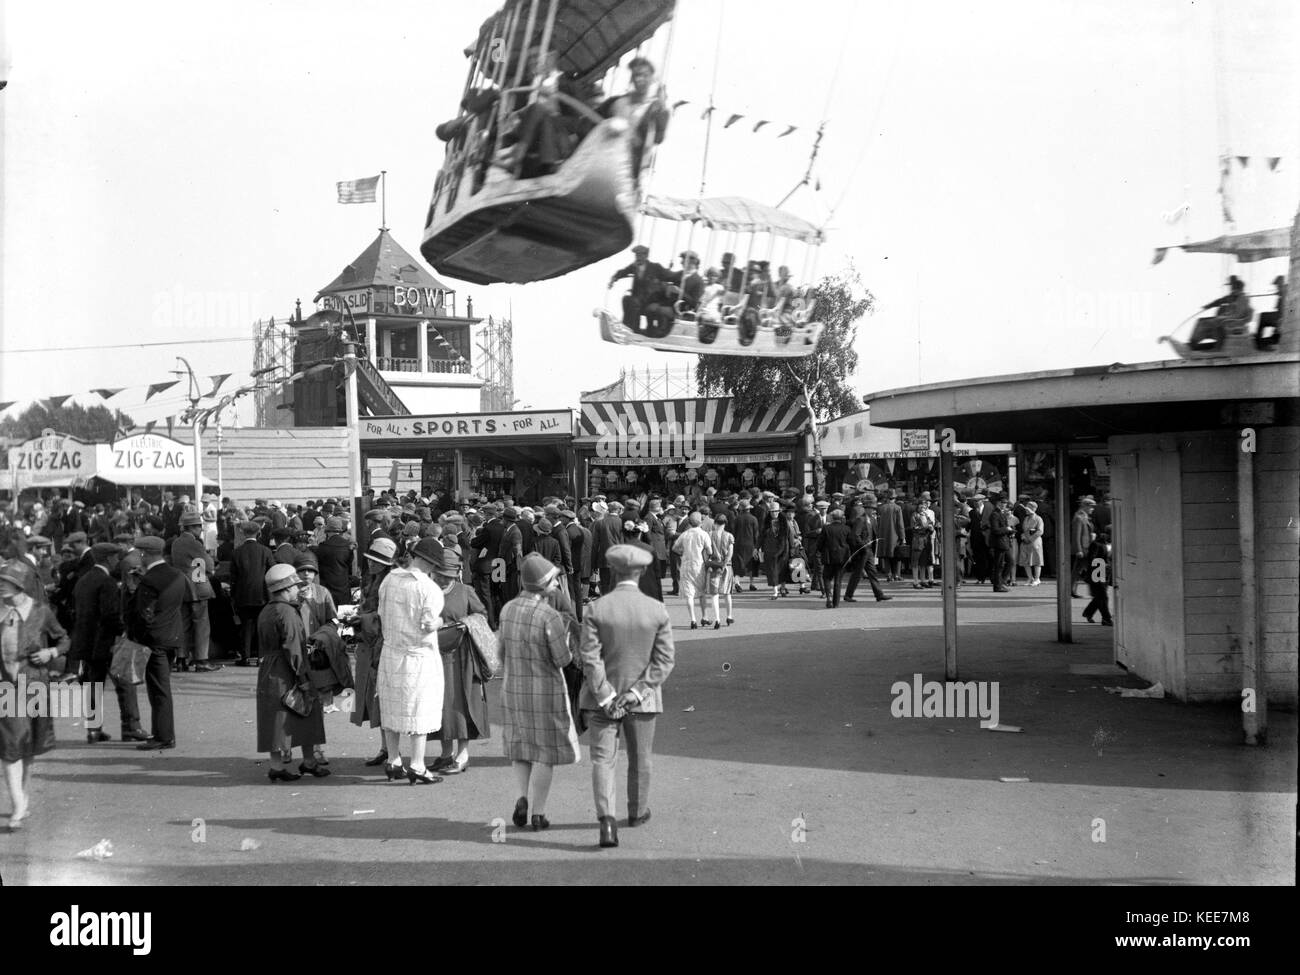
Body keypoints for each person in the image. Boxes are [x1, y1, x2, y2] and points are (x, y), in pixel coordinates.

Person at [578, 544, 676, 849]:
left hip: (600, 699)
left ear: (613, 570)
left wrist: (606, 695)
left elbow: (589, 658)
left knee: (602, 760)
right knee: (641, 757)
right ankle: (636, 811)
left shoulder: (596, 609)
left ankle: (607, 820)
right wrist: (636, 691)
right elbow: (664, 660)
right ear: (642, 571)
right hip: (643, 698)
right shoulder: (657, 609)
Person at [499, 554, 580, 832]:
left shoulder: (507, 609)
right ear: (543, 584)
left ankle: (521, 797)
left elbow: (500, 652)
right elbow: (563, 659)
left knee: (520, 747)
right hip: (544, 690)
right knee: (545, 754)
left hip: (513, 687)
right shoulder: (550, 615)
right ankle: (538, 812)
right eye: (554, 579)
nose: (557, 583)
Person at [0, 561, 69, 831]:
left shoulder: (41, 611)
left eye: (5, 582)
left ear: (20, 585)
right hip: (5, 686)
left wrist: (50, 653)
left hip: (35, 683)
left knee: (30, 745)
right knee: (11, 744)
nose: (0, 586)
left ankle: (23, 799)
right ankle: (17, 805)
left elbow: (64, 639)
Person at [375, 536, 446, 785]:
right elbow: (428, 625)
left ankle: (393, 760)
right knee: (420, 708)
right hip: (418, 655)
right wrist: (440, 622)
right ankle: (417, 764)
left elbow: (381, 614)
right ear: (431, 563)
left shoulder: (389, 579)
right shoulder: (429, 588)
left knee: (392, 707)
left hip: (390, 651)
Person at [256, 564, 327, 781]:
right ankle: (308, 761)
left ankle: (277, 765)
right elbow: (294, 647)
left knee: (275, 718)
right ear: (287, 588)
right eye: (295, 586)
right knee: (307, 710)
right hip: (286, 669)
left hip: (269, 668)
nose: (298, 589)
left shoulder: (267, 609)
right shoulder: (287, 612)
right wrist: (303, 678)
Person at [71, 543, 146, 743]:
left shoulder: (83, 581)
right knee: (126, 683)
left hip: (87, 644)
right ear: (108, 558)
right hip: (108, 642)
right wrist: (122, 632)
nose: (117, 561)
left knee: (93, 686)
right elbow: (110, 615)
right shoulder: (107, 582)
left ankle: (94, 730)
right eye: (114, 557)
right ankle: (131, 726)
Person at [428, 547, 489, 775]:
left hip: (462, 656)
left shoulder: (465, 591)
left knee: (461, 703)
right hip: (433, 656)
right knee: (439, 706)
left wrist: (467, 622)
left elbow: (482, 615)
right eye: (440, 573)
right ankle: (445, 754)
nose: (443, 578)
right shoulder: (426, 591)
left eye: (448, 574)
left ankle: (462, 754)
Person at [126, 536, 185, 750]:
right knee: (161, 687)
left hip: (153, 641)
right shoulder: (177, 575)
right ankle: (163, 733)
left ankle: (164, 736)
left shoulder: (148, 581)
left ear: (144, 554)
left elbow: (143, 614)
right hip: (172, 637)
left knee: (158, 690)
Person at [351, 537, 398, 768]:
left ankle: (390, 751)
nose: (371, 564)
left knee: (381, 698)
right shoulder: (375, 580)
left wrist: (362, 618)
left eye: (376, 561)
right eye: (370, 560)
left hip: (379, 646)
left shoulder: (387, 584)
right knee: (375, 699)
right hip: (370, 645)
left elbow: (384, 618)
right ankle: (386, 748)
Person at [598, 56, 669, 183]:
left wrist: (662, 108)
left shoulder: (656, 109)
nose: (640, 79)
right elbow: (595, 120)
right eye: (636, 75)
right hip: (606, 156)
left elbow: (659, 138)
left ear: (652, 78)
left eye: (645, 75)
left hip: (632, 163)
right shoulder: (618, 101)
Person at [171, 510, 221, 673]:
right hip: (197, 588)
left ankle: (181, 659)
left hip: (181, 588)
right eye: (199, 526)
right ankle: (201, 660)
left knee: (183, 625)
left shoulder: (176, 543)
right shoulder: (195, 543)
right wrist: (210, 564)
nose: (201, 529)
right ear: (191, 527)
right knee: (201, 625)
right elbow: (208, 564)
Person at [229, 521, 276, 666]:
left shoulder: (236, 552)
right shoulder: (265, 551)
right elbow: (273, 571)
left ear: (243, 533)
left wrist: (233, 595)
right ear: (259, 533)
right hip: (262, 594)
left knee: (246, 627)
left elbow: (233, 577)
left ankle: (245, 656)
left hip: (243, 595)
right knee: (261, 626)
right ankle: (261, 657)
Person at [609, 245, 675, 335]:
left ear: (646, 256)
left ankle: (634, 329)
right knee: (627, 299)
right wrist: (614, 278)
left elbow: (669, 275)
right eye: (636, 255)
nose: (638, 258)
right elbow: (622, 272)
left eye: (640, 255)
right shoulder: (634, 266)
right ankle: (627, 325)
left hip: (651, 299)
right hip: (638, 298)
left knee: (633, 302)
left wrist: (676, 281)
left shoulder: (655, 267)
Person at [672, 511, 713, 627]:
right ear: (700, 521)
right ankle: (704, 616)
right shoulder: (703, 534)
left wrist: (682, 553)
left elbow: (675, 548)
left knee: (689, 594)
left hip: (686, 564)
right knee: (702, 592)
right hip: (699, 565)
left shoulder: (685, 534)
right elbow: (709, 551)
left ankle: (693, 619)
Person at [1191, 274, 1253, 347]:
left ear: (1238, 288)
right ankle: (1194, 343)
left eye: (1233, 287)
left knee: (1206, 323)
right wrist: (1208, 306)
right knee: (1201, 321)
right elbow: (1220, 301)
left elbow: (1238, 315)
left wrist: (1224, 317)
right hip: (1229, 319)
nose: (1231, 288)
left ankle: (1198, 344)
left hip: (1234, 321)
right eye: (1231, 286)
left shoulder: (1242, 299)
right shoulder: (1232, 296)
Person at [706, 513, 735, 628]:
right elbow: (730, 553)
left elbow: (706, 552)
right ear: (725, 523)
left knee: (714, 594)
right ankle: (729, 616)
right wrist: (724, 563)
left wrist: (708, 563)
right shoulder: (729, 536)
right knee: (727, 593)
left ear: (714, 523)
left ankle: (717, 619)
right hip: (726, 566)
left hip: (713, 566)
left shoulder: (708, 535)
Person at [1082, 530, 1113, 626]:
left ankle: (1088, 612)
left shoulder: (1110, 544)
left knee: (1100, 597)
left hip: (1106, 573)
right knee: (1103, 597)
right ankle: (1106, 618)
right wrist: (1104, 565)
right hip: (1098, 572)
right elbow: (1092, 559)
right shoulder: (1096, 544)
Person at [1070, 496, 1096, 598]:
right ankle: (1094, 591)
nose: (1092, 509)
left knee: (1077, 571)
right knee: (1088, 570)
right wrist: (1079, 550)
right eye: (1091, 507)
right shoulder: (1079, 518)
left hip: (1086, 547)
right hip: (1083, 549)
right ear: (1085, 506)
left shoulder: (1083, 517)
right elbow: (1076, 535)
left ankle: (1071, 590)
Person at [988, 497, 1014, 593]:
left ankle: (1001, 582)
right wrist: (1007, 529)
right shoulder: (995, 514)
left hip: (1004, 542)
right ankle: (998, 585)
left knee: (1010, 561)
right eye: (1003, 502)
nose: (1005, 504)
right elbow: (995, 530)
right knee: (999, 565)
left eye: (1006, 503)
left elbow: (1003, 528)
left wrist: (1011, 531)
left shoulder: (1001, 513)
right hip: (998, 543)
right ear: (998, 503)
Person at [1018, 501, 1045, 585]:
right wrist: (1023, 537)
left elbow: (1040, 531)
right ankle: (1030, 578)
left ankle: (1037, 579)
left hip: (1035, 542)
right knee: (1025, 560)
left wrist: (1030, 539)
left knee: (1036, 560)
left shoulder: (1038, 518)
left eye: (1027, 509)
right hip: (1025, 542)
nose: (1026, 510)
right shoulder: (1026, 518)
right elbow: (1023, 530)